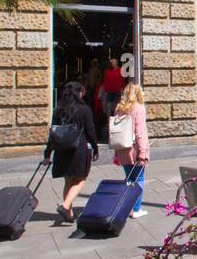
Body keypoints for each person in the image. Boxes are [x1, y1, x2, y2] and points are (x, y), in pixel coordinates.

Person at [45, 80, 99, 223]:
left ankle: (69, 214)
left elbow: (53, 133)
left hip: (62, 150)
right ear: (78, 93)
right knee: (81, 179)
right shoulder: (84, 109)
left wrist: (47, 153)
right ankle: (65, 206)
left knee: (68, 180)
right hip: (78, 149)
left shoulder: (58, 109)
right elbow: (90, 131)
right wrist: (95, 147)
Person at [111, 81, 150, 218]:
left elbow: (116, 132)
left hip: (123, 149)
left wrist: (116, 152)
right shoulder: (139, 108)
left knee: (129, 178)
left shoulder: (119, 108)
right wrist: (143, 153)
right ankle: (136, 209)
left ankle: (128, 207)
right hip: (135, 149)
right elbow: (140, 132)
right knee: (138, 178)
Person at [99, 56, 126, 121]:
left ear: (116, 63)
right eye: (111, 62)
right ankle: (109, 121)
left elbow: (123, 81)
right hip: (109, 92)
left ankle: (116, 120)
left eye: (114, 62)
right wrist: (104, 90)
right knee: (108, 107)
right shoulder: (107, 71)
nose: (112, 64)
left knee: (116, 106)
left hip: (117, 91)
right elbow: (105, 80)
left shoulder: (120, 70)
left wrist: (123, 89)